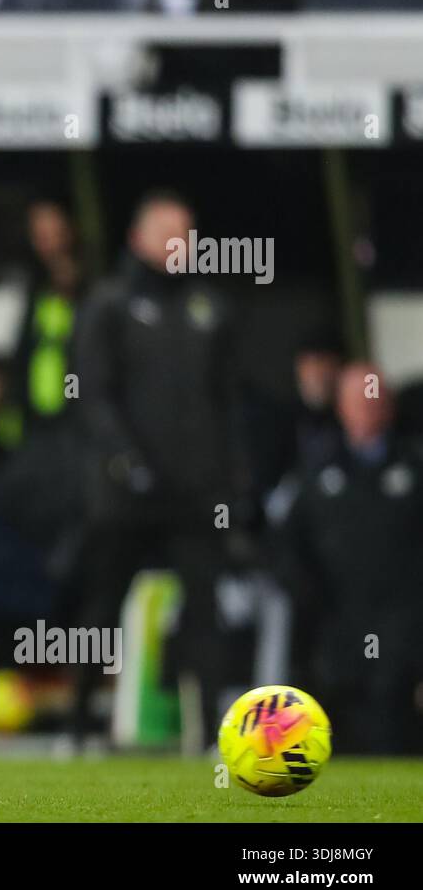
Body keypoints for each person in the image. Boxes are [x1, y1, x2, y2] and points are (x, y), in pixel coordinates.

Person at [71, 190, 251, 744]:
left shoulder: (210, 309)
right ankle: (79, 726)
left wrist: (236, 485)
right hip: (126, 494)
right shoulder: (109, 304)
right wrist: (126, 460)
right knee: (101, 607)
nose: (182, 244)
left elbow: (231, 406)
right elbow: (91, 394)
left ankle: (212, 735)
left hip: (195, 496)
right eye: (171, 233)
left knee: (205, 610)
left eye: (188, 234)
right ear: (139, 239)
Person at [270, 364, 423, 753]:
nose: (369, 407)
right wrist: (307, 594)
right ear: (341, 407)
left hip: (403, 615)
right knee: (341, 703)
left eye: (375, 397)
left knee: (393, 702)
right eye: (359, 399)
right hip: (337, 615)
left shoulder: (414, 465)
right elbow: (285, 543)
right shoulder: (317, 471)